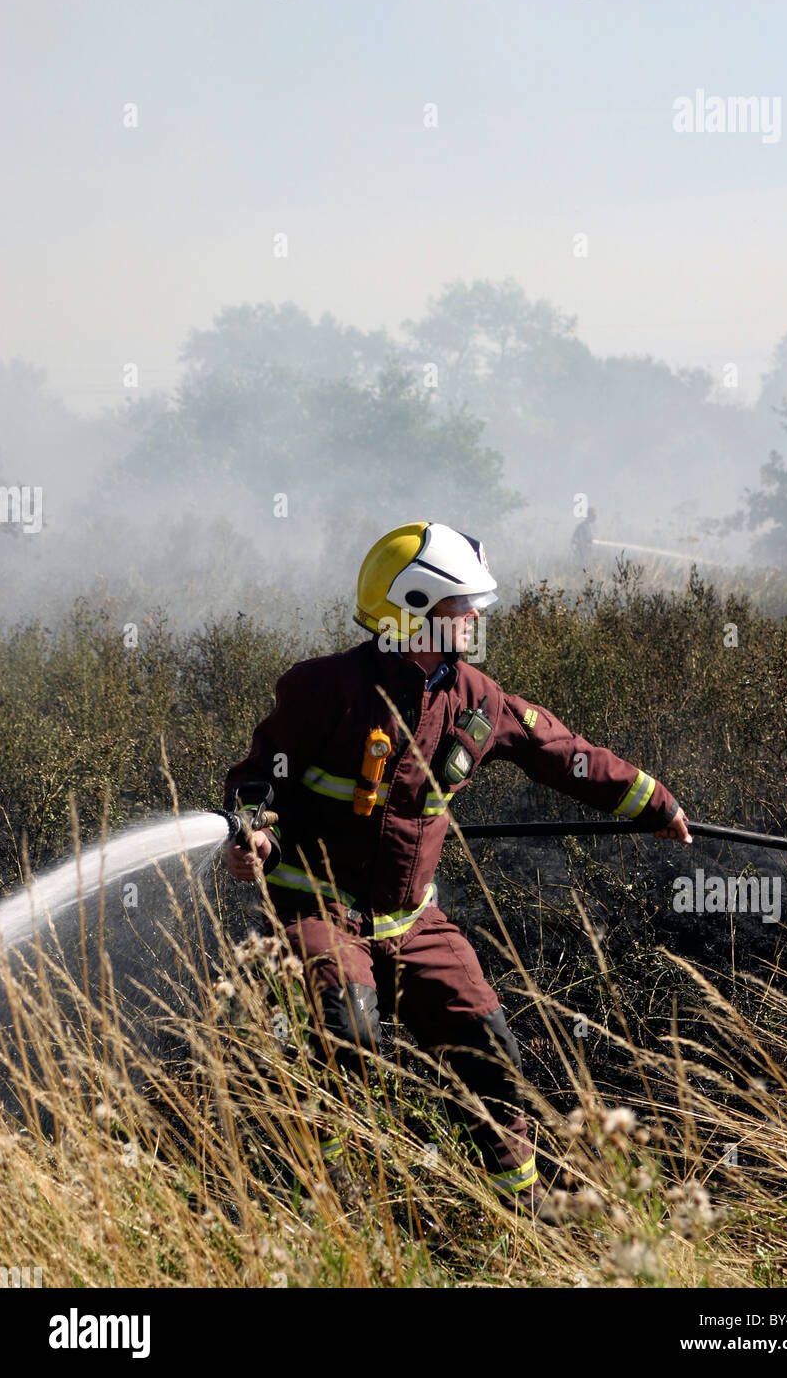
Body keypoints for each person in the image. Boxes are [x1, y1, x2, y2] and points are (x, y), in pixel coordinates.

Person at [223, 521, 690, 1220]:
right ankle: (326, 1208)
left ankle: (523, 1217)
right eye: (459, 606)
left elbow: (564, 752)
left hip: (415, 925)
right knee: (344, 1034)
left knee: (491, 1050)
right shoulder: (325, 690)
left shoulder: (477, 699)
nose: (474, 620)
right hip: (318, 912)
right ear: (410, 609)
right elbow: (259, 778)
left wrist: (652, 802)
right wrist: (255, 835)